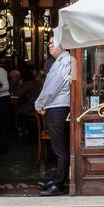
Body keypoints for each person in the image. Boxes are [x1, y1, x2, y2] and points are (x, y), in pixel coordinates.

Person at [35, 39, 75, 197]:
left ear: (63, 45)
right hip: (56, 106)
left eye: (53, 42)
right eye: (49, 43)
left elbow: (53, 87)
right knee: (59, 146)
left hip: (58, 107)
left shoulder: (64, 61)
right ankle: (57, 179)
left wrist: (39, 103)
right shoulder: (60, 61)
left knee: (60, 148)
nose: (50, 45)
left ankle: (59, 184)